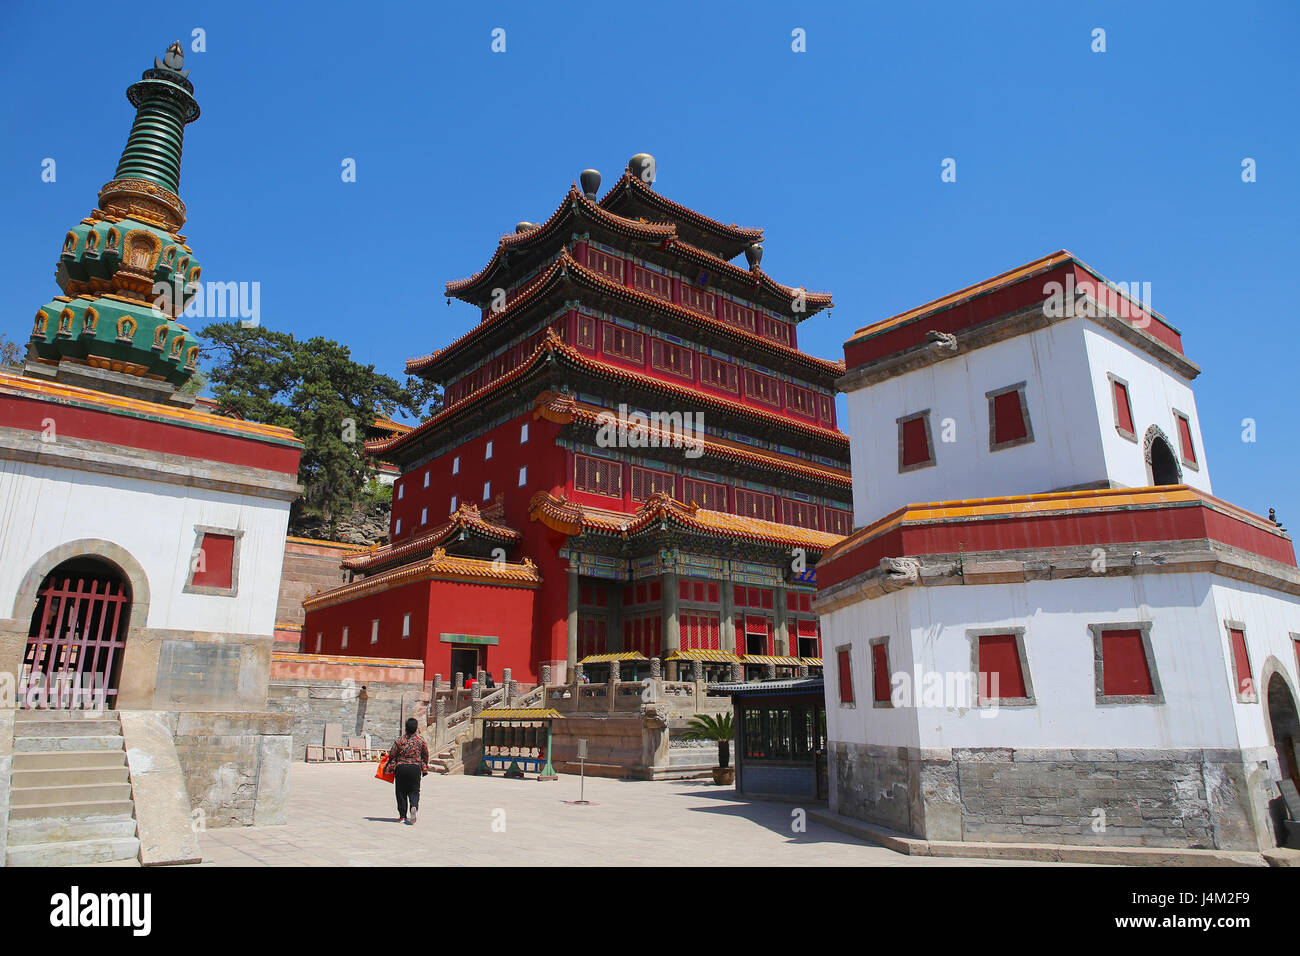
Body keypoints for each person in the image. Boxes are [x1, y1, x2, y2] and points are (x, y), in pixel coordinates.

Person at [386, 717, 429, 824]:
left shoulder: (400, 740)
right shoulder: (420, 740)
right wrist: (423, 765)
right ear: (416, 728)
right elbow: (426, 754)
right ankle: (413, 806)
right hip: (415, 768)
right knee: (414, 791)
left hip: (401, 768)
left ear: (406, 728)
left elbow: (392, 753)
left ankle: (402, 816)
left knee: (401, 792)